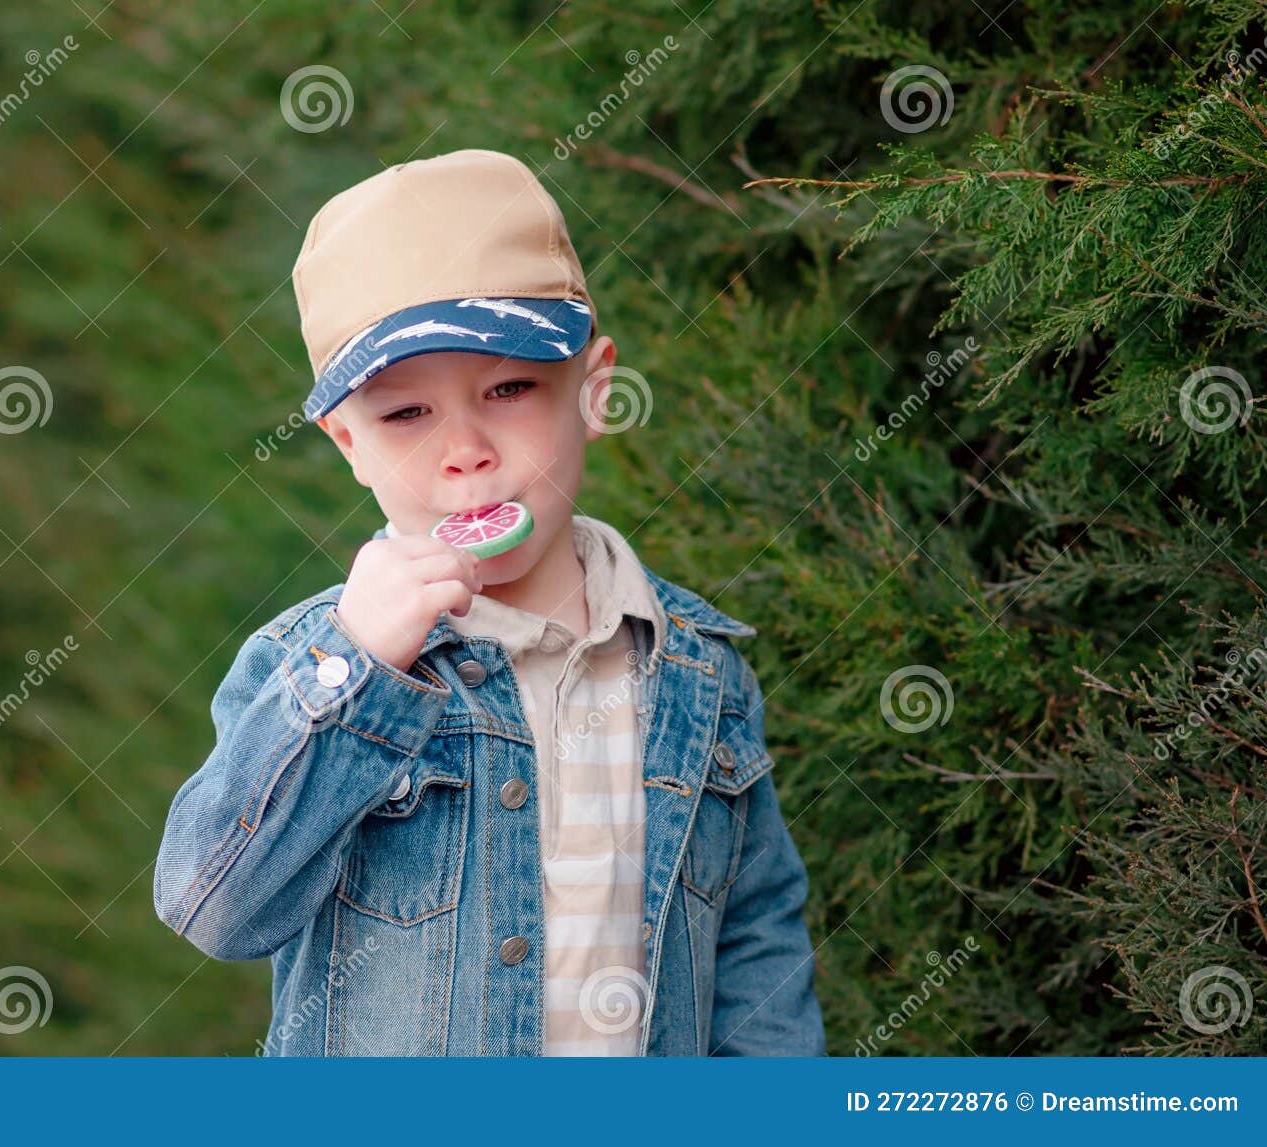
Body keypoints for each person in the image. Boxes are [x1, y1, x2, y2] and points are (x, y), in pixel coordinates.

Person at [154, 148, 825, 1056]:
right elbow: (215, 908)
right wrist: (357, 669)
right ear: (347, 443)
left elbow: (757, 946)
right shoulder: (312, 663)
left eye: (508, 389)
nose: (464, 449)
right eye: (406, 414)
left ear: (595, 390)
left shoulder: (699, 667)